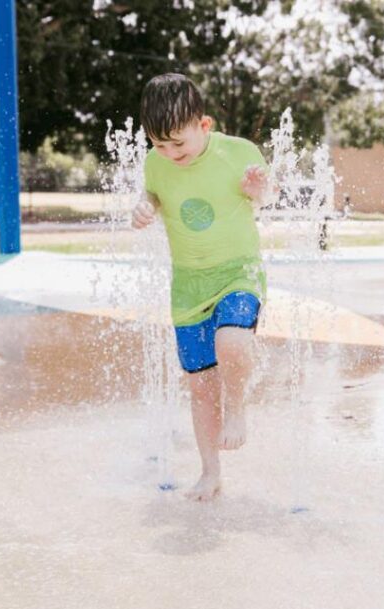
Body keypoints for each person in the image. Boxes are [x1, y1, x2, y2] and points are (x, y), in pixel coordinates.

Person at [131, 73, 272, 501]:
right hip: (188, 285)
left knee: (232, 341)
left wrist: (257, 189)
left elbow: (266, 196)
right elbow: (155, 194)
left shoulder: (238, 153)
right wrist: (145, 206)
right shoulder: (156, 162)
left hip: (237, 272)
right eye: (159, 144)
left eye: (178, 143)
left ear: (204, 124)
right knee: (200, 387)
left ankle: (238, 409)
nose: (170, 153)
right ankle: (210, 473)